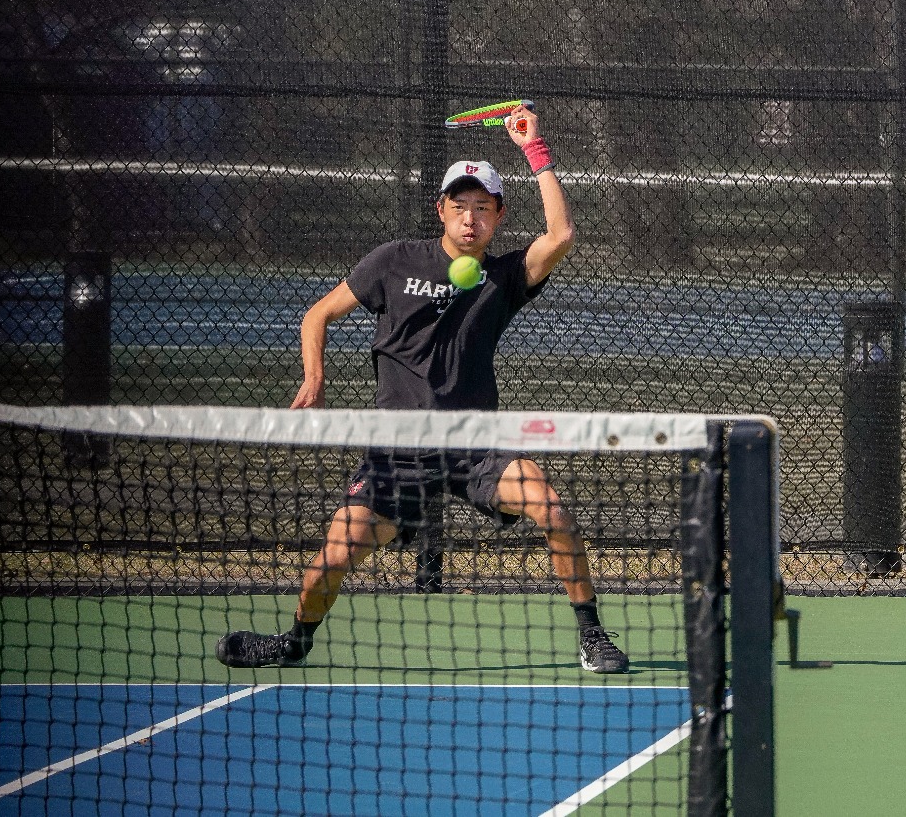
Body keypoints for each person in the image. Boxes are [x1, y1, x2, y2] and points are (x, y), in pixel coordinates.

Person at [215, 105, 630, 674]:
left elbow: (561, 235)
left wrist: (536, 151)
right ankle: (295, 641)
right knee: (332, 558)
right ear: (441, 210)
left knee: (552, 508)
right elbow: (318, 315)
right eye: (460, 207)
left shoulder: (504, 278)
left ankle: (592, 635)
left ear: (498, 216)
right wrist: (314, 376)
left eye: (482, 209)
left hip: (473, 447)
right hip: (397, 453)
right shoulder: (393, 261)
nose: (470, 219)